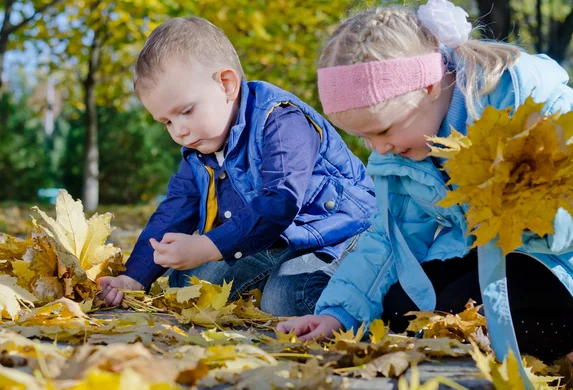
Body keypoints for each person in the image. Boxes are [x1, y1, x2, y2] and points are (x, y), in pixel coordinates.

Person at [277, 0, 573, 390]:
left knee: (469, 312)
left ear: (428, 88)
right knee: (403, 309)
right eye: (363, 137)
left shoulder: (533, 108)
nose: (378, 148)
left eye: (383, 130)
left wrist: (523, 206)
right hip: (490, 257)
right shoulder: (402, 150)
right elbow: (386, 239)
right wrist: (337, 315)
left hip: (566, 263)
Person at [97, 17, 376, 317]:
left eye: (186, 111)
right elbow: (173, 212)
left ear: (226, 84)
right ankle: (269, 278)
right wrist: (134, 276)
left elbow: (279, 202)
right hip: (275, 242)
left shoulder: (280, 120)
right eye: (167, 122)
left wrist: (207, 246)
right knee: (189, 284)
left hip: (340, 234)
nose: (179, 131)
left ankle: (361, 298)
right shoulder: (200, 149)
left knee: (286, 298)